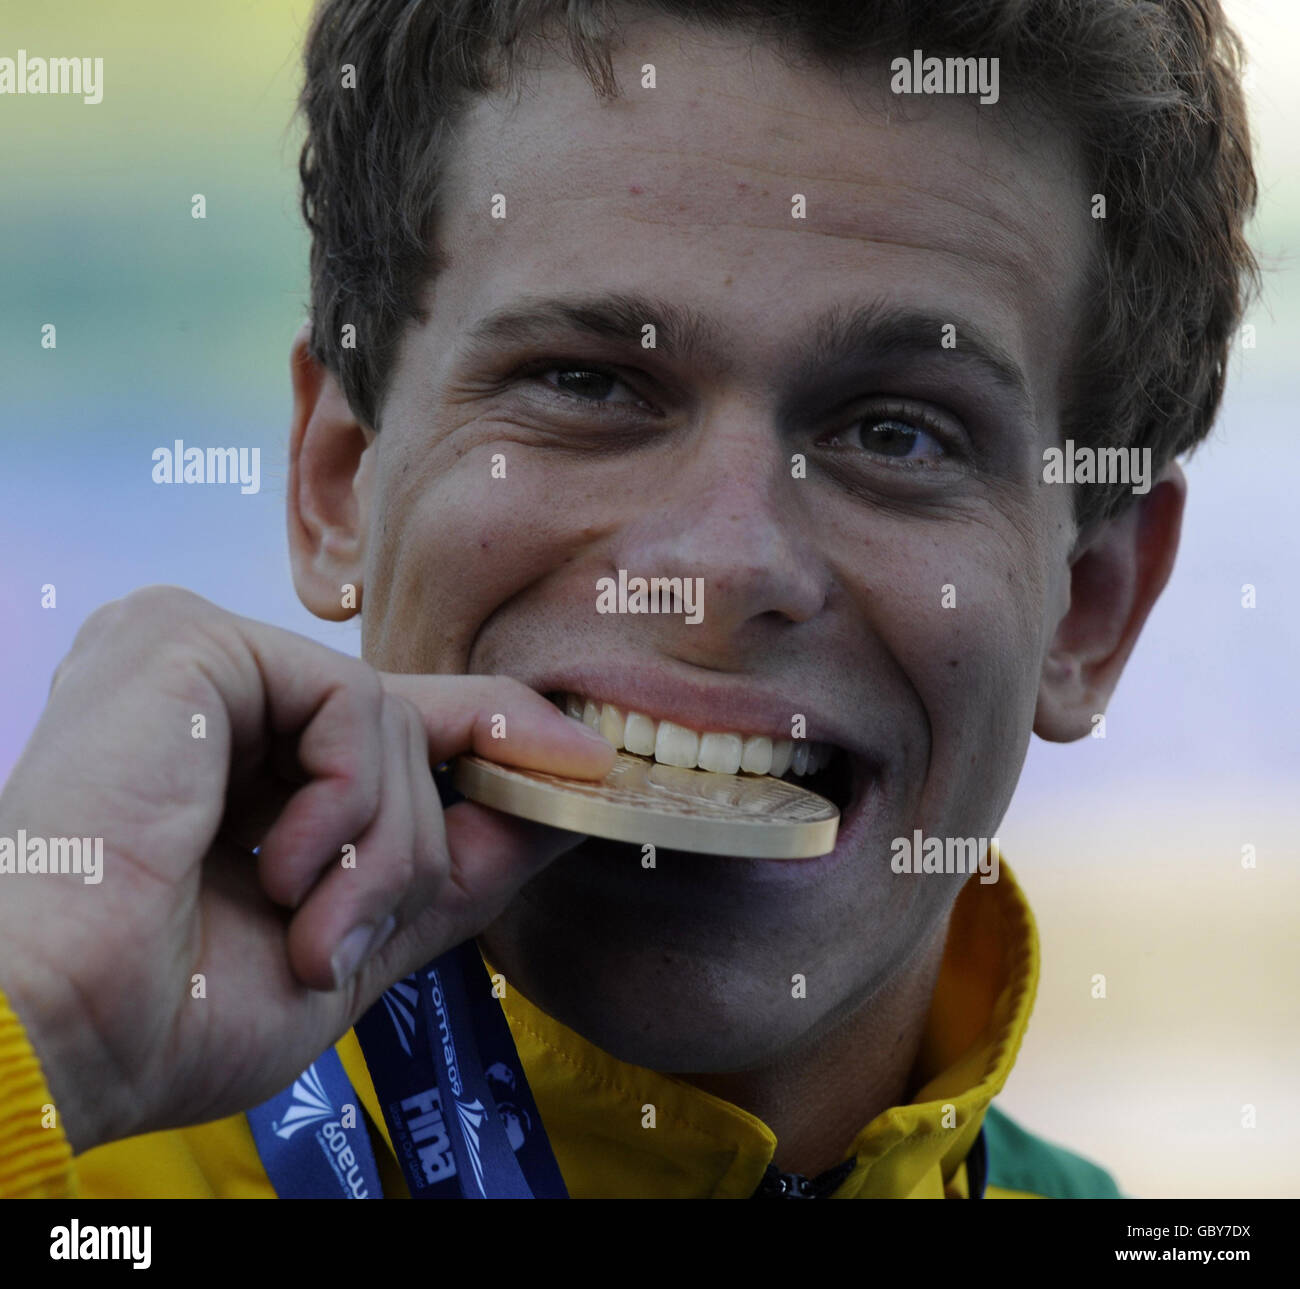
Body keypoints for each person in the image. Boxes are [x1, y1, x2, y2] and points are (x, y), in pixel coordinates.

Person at [0, 0, 1257, 1199]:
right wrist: (49, 1019)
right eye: (587, 384)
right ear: (338, 481)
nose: (721, 564)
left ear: (1092, 606)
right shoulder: (61, 1130)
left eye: (901, 431)